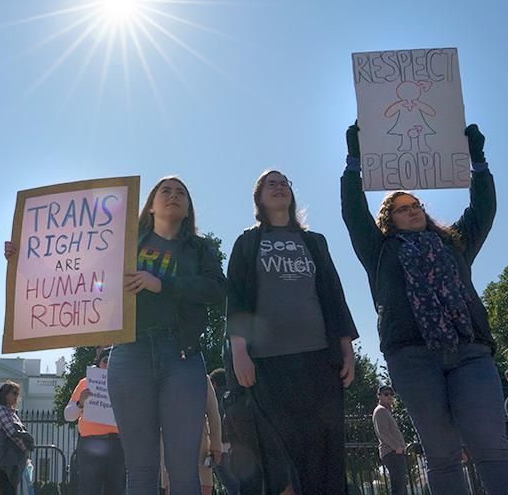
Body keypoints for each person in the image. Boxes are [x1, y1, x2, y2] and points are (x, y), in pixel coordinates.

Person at [341, 122, 508, 495]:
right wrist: (353, 162)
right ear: (388, 220)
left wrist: (478, 162)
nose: (412, 211)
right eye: (402, 209)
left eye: (416, 206)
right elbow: (353, 213)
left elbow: (482, 210)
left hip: (470, 352)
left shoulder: (453, 243)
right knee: (442, 453)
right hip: (412, 357)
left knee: (490, 446)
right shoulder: (380, 252)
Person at [226, 169, 358, 494]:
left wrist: (347, 349)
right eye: (271, 183)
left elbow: (334, 296)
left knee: (324, 451)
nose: (279, 187)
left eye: (284, 182)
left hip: (319, 360)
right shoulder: (247, 242)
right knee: (280, 456)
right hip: (269, 364)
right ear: (259, 197)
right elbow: (237, 299)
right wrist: (239, 351)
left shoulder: (315, 242)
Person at [108, 176, 227, 495]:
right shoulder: (125, 243)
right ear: (150, 205)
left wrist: (162, 284)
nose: (173, 195)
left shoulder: (200, 248)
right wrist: (22, 256)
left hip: (182, 356)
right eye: (166, 191)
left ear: (188, 209)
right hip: (130, 353)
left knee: (184, 469)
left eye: (181, 192)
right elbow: (82, 269)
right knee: (141, 469)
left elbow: (217, 288)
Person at [63, 348, 125, 495]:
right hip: (89, 444)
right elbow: (68, 415)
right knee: (89, 488)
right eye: (105, 361)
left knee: (116, 489)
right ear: (98, 364)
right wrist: (80, 402)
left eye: (113, 361)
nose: (109, 364)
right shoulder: (85, 383)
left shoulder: (123, 385)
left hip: (117, 444)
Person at [0, 381, 34, 495]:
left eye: (17, 394)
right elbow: (11, 432)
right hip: (4, 458)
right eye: (14, 393)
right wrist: (25, 448)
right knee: (6, 489)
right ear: (5, 395)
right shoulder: (0, 410)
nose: (16, 397)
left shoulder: (13, 413)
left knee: (12, 490)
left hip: (14, 459)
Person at [207, 368, 238, 495]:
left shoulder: (212, 400)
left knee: (231, 487)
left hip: (219, 449)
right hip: (238, 447)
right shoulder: (236, 395)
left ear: (213, 384)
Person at [373, 386, 408, 495]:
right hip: (392, 452)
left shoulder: (386, 411)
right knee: (398, 487)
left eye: (391, 394)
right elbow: (383, 432)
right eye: (386, 394)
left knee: (400, 486)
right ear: (379, 396)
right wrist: (397, 447)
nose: (389, 396)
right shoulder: (380, 411)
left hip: (395, 452)